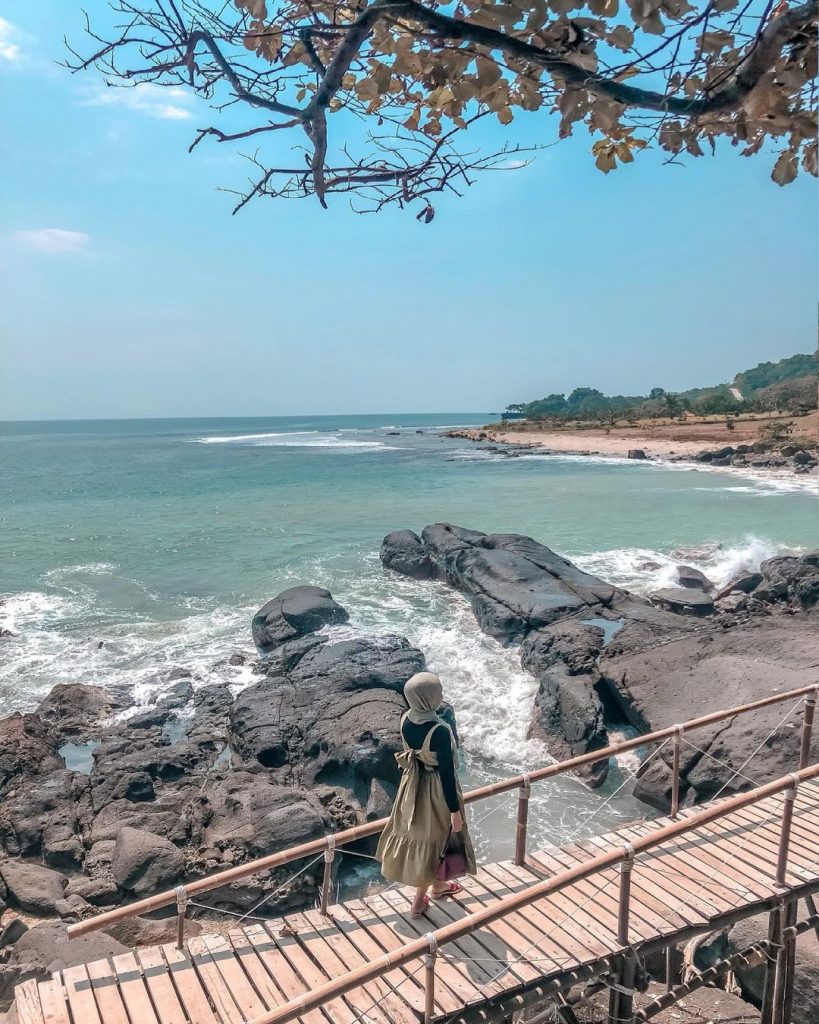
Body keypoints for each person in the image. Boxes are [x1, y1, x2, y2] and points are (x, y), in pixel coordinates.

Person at [376, 671, 477, 917]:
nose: (441, 696)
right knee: (436, 839)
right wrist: (454, 811)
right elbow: (447, 775)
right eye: (438, 692)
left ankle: (440, 886)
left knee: (422, 835)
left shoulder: (406, 719)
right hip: (435, 789)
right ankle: (418, 902)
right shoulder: (440, 730)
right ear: (428, 697)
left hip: (412, 785)